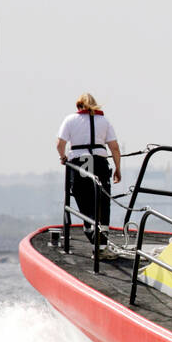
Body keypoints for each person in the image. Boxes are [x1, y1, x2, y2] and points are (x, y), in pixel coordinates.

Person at [56, 93, 121, 249]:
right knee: (103, 199)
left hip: (80, 162)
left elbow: (60, 144)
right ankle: (102, 240)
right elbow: (115, 148)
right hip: (99, 162)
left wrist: (63, 157)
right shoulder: (104, 121)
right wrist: (118, 169)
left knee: (83, 194)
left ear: (79, 106)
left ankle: (89, 226)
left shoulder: (70, 120)